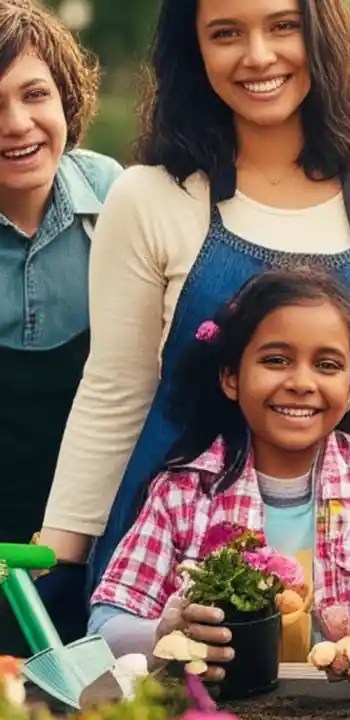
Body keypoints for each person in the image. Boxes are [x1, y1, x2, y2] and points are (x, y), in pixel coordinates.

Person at [35, 0, 350, 608]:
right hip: (170, 557)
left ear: (322, 32)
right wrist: (59, 563)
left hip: (345, 556)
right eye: (226, 33)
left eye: (283, 26)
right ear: (195, 49)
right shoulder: (149, 197)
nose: (258, 55)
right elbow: (114, 389)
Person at [89, 268, 350, 690]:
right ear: (231, 377)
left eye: (327, 365)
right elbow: (106, 628)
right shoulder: (182, 493)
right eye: (276, 360)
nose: (301, 383)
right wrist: (163, 634)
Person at [0, 0, 122, 654]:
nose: (16, 124)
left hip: (100, 544)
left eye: (34, 94)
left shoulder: (119, 202)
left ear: (66, 97)